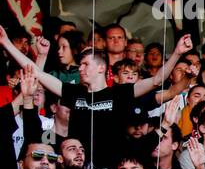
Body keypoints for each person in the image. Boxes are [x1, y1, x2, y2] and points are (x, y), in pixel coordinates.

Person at [0, 29, 193, 148]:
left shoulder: (119, 93)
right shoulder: (74, 93)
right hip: (78, 167)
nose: (80, 69)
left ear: (102, 68)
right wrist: (6, 42)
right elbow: (36, 72)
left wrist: (177, 52)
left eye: (85, 64)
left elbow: (157, 80)